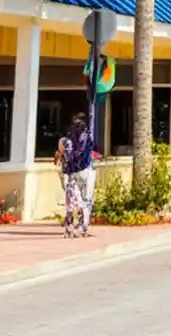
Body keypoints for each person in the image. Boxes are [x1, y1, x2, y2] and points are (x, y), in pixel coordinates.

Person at [55, 99, 96, 238]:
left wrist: (65, 161)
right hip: (85, 170)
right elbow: (87, 151)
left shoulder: (68, 138)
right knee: (84, 200)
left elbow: (62, 153)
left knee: (73, 200)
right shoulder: (86, 136)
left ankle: (72, 227)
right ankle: (80, 226)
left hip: (74, 171)